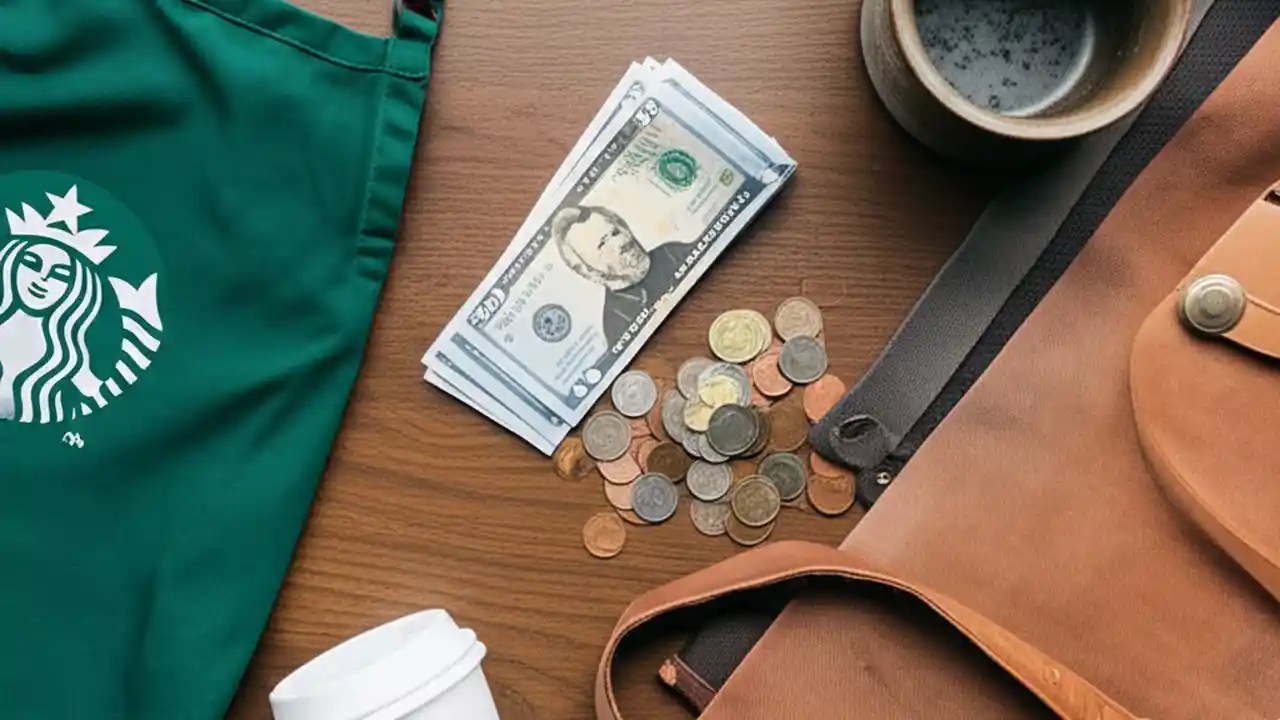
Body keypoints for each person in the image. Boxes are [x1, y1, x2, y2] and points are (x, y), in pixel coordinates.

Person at [550, 204, 694, 347]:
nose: (622, 242)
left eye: (615, 232)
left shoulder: (673, 253)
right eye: (603, 244)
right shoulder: (617, 326)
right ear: (588, 272)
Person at [0, 237, 103, 423]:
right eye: (31, 263)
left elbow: (96, 396)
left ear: (75, 288)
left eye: (60, 274)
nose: (43, 277)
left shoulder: (68, 354)